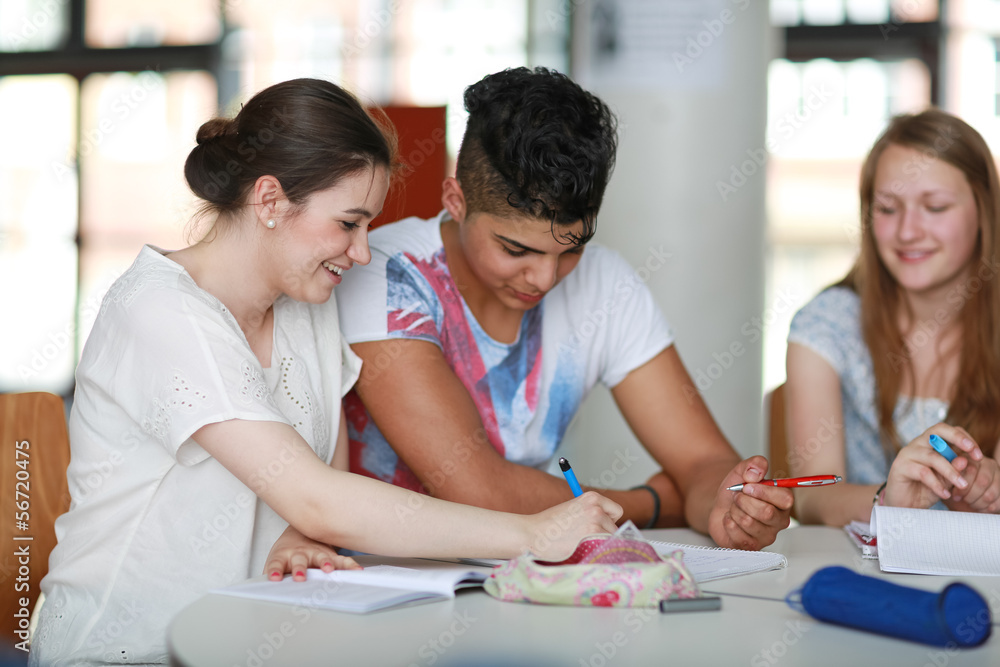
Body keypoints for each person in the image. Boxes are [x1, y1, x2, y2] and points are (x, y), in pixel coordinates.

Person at [28, 78, 621, 666]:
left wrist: (301, 539)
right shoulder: (159, 311)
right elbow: (319, 498)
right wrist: (531, 535)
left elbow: (323, 477)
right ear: (268, 201)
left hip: (253, 640)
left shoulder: (305, 303)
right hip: (126, 652)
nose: (362, 253)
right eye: (347, 224)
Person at [336, 66, 792, 551]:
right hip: (383, 583)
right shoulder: (383, 273)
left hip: (523, 581)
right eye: (516, 249)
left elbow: (702, 465)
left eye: (571, 249)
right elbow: (476, 491)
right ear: (456, 201)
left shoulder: (606, 283)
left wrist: (729, 506)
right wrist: (650, 504)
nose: (546, 279)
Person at [786, 109, 1000, 527]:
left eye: (935, 207)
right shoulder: (826, 325)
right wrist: (890, 500)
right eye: (887, 208)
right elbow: (812, 497)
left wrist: (991, 492)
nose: (907, 231)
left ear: (984, 211)